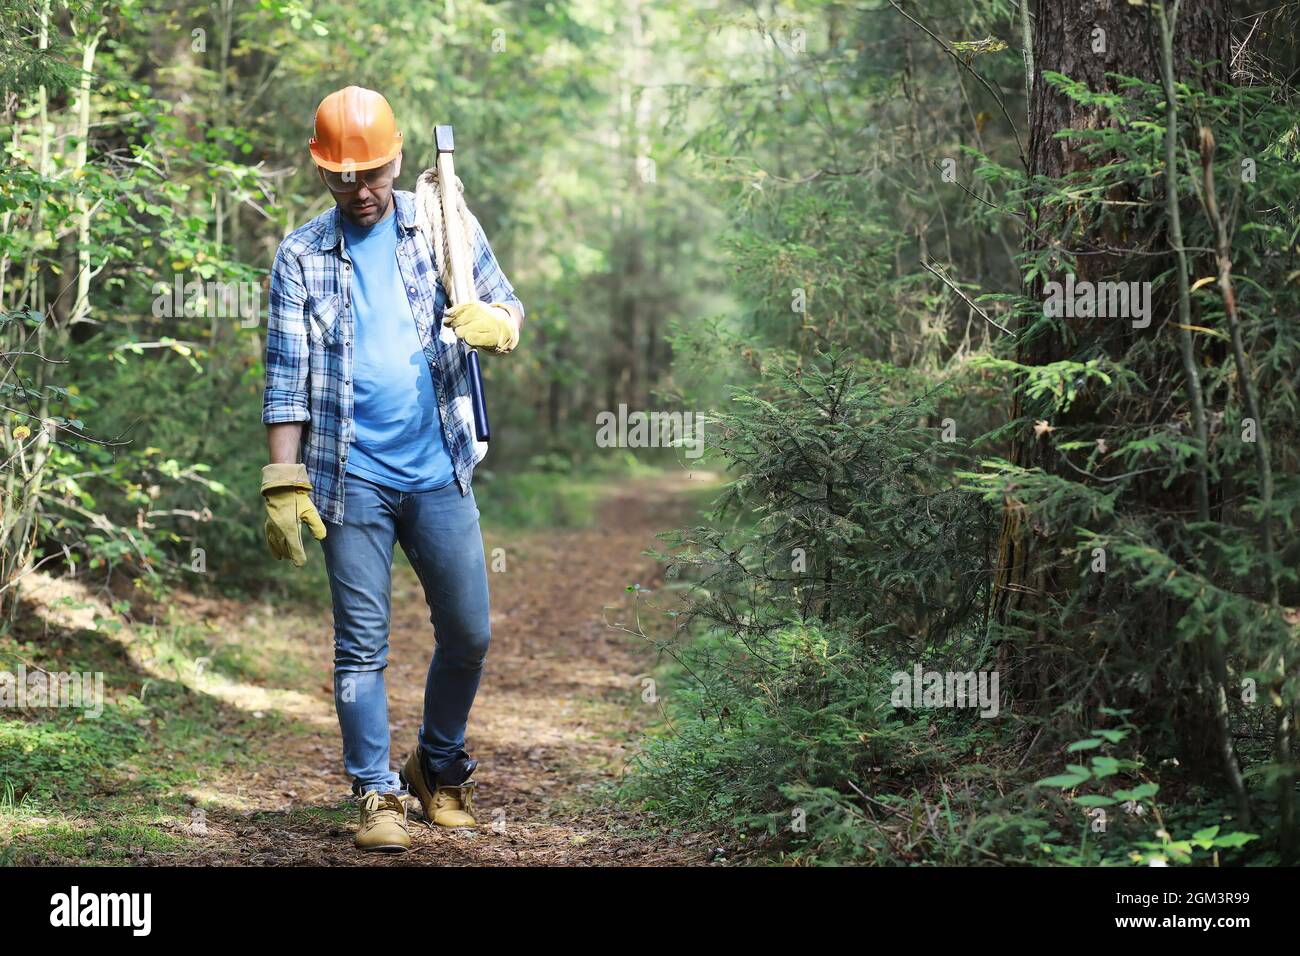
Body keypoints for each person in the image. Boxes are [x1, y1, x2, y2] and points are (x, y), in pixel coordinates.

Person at [259, 86, 522, 852]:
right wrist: (283, 480)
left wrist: (496, 326)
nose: (361, 191)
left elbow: (508, 305)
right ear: (321, 174)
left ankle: (436, 769)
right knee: (360, 646)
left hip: (439, 463)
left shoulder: (441, 224)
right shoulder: (302, 255)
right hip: (350, 476)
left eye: (372, 174)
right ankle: (375, 793)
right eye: (343, 178)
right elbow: (286, 379)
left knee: (469, 632)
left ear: (399, 159)